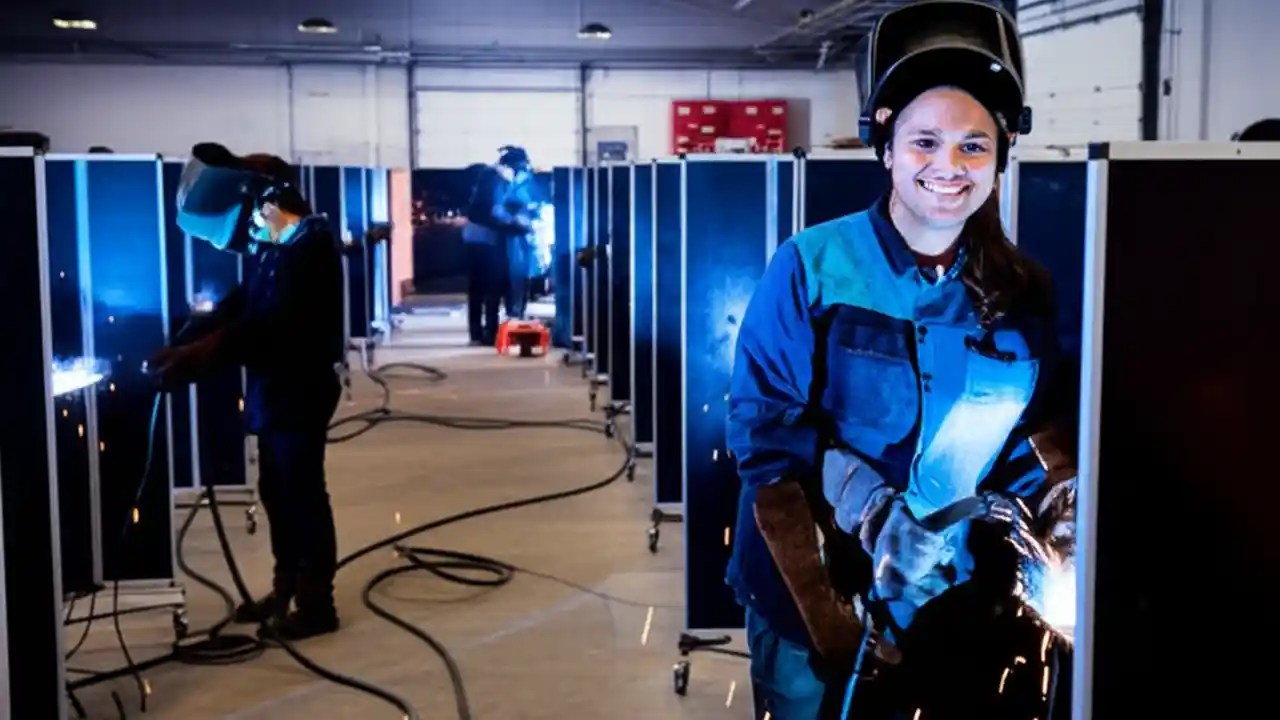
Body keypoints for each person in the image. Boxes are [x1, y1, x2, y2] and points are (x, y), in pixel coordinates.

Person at [724, 2, 1076, 717]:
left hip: (958, 595)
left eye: (973, 146)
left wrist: (1063, 500)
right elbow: (767, 437)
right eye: (925, 142)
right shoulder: (812, 267)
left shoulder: (1022, 289)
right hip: (816, 595)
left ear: (1001, 156)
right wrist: (874, 518)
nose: (948, 167)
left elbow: (1032, 435)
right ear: (884, 147)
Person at [155, 153, 345, 641]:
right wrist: (190, 335)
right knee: (276, 493)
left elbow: (268, 324)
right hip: (273, 387)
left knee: (302, 494)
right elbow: (242, 306)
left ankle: (317, 604)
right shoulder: (274, 246)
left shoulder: (308, 244)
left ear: (269, 201)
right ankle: (284, 590)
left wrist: (201, 354)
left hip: (300, 387)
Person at [463, 146, 535, 343]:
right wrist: (517, 222)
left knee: (478, 289)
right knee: (490, 289)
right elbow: (495, 212)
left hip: (475, 238)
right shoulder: (498, 179)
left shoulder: (490, 176)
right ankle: (489, 333)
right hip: (485, 240)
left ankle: (478, 334)